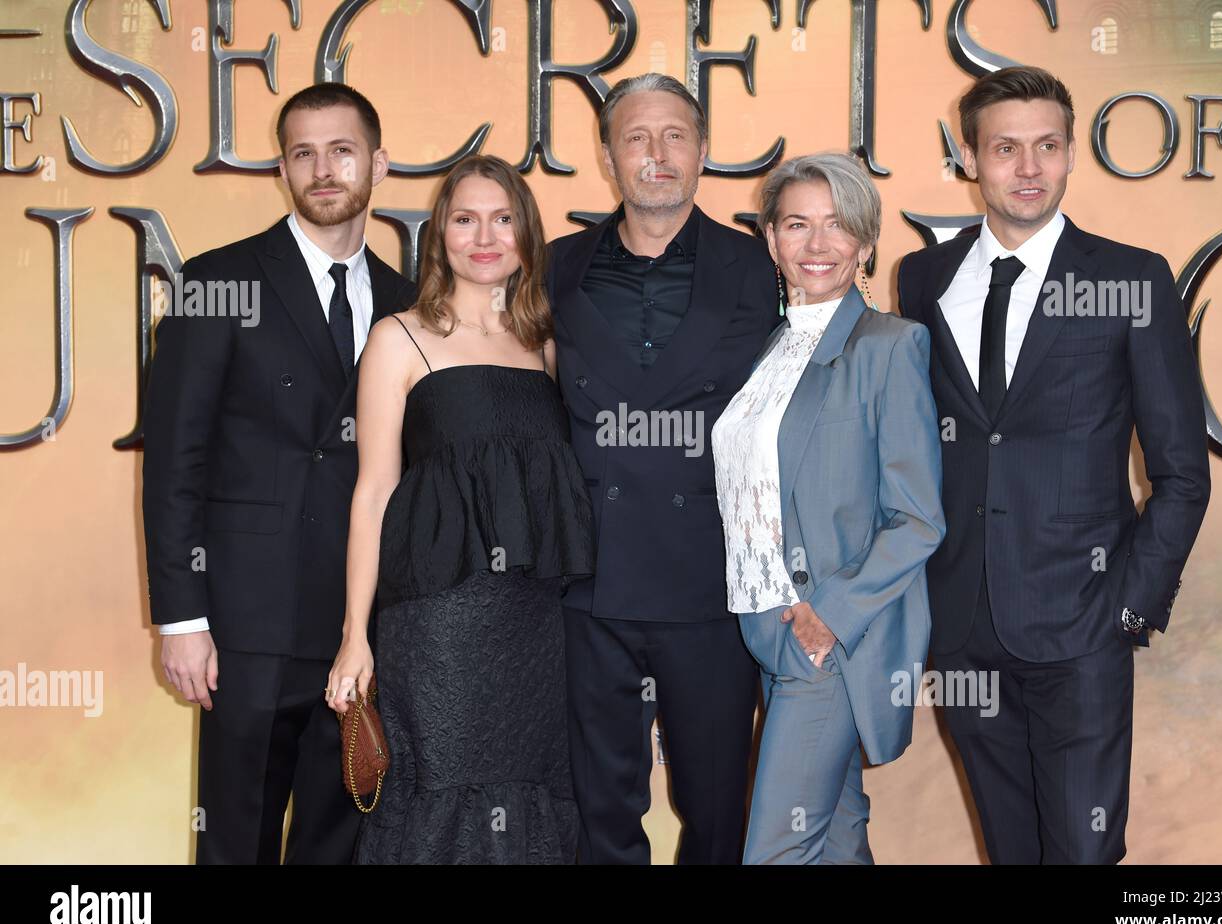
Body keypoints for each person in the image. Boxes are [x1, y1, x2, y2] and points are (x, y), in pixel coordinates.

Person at [896, 66, 1211, 864]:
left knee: (1082, 850)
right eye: (1005, 148)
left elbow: (1181, 470)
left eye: (1047, 146)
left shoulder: (1131, 278)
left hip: (1083, 624)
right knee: (1011, 849)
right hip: (963, 624)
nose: (1028, 168)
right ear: (970, 159)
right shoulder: (924, 279)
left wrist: (1130, 608)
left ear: (1071, 154)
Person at [142, 83, 416, 864]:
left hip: (359, 631)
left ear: (378, 162)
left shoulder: (406, 302)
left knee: (339, 843)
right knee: (237, 842)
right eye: (303, 154)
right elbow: (174, 460)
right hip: (243, 627)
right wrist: (181, 618)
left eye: (341, 151)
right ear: (283, 171)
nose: (323, 170)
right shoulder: (218, 280)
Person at [326, 154, 595, 864]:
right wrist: (356, 635)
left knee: (526, 789)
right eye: (465, 219)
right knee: (439, 792)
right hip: (438, 624)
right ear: (439, 235)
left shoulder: (547, 345)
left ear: (527, 235)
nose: (485, 237)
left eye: (504, 219)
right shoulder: (399, 337)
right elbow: (374, 492)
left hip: (531, 624)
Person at [546, 73, 779, 864]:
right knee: (599, 806)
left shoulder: (761, 268)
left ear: (703, 150)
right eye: (637, 138)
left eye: (675, 135)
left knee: (718, 809)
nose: (657, 155)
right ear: (608, 156)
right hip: (590, 581)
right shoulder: (555, 269)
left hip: (713, 580)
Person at [713, 152, 945, 864]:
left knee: (778, 850)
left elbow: (917, 517)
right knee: (837, 837)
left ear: (866, 244)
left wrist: (830, 617)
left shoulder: (889, 346)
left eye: (837, 226)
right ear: (773, 239)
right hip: (763, 624)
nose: (817, 245)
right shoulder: (767, 349)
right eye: (796, 224)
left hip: (831, 635)